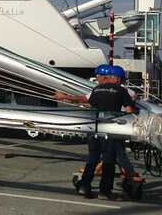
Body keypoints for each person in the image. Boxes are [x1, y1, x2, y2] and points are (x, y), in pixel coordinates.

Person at [55, 64, 136, 199]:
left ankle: (84, 186)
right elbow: (129, 111)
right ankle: (105, 191)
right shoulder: (122, 91)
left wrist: (65, 97)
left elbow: (90, 104)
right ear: (118, 79)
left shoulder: (97, 89)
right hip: (111, 130)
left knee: (92, 159)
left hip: (94, 129)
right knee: (109, 161)